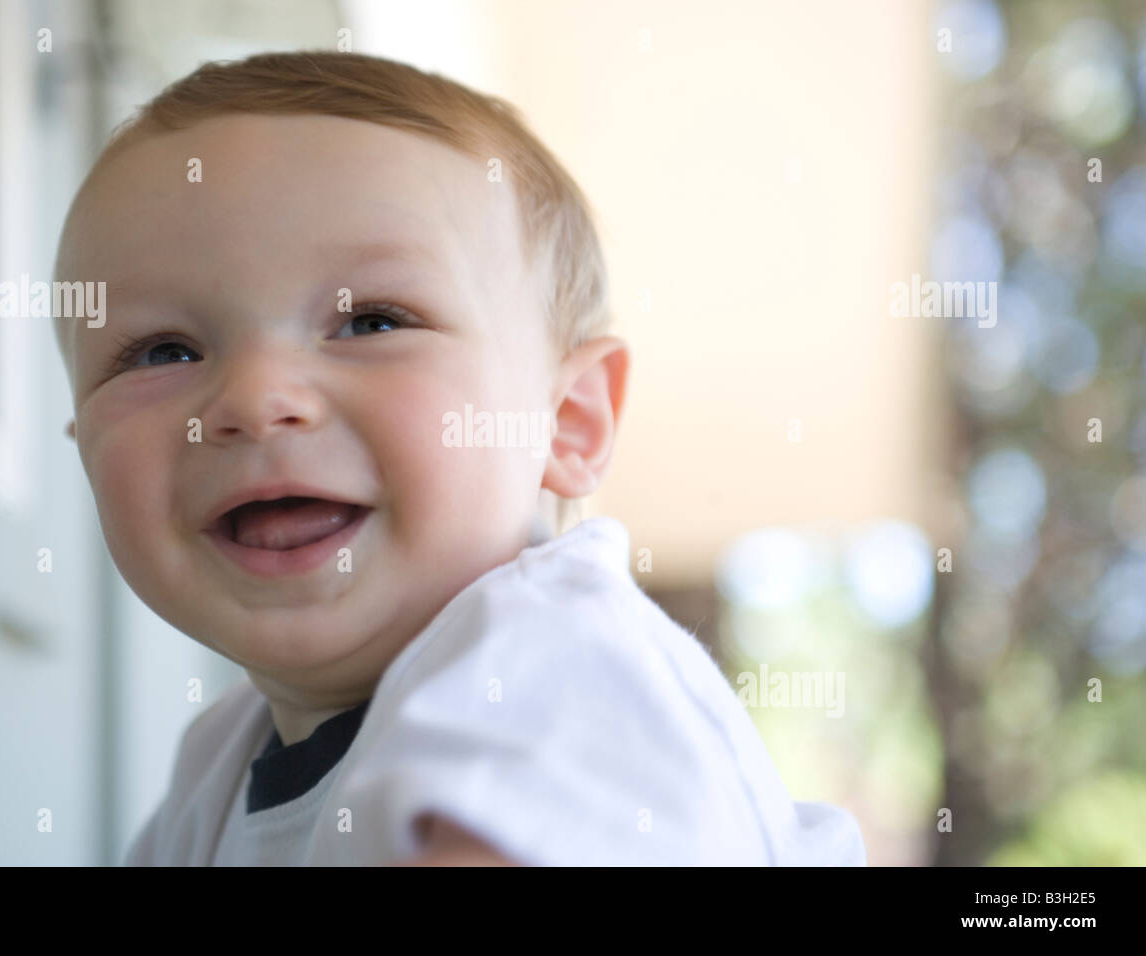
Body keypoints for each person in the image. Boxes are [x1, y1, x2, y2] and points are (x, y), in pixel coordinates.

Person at [51, 50, 866, 866]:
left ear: (567, 423)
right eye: (162, 351)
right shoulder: (215, 767)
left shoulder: (556, 661)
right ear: (81, 442)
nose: (256, 398)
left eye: (371, 322)